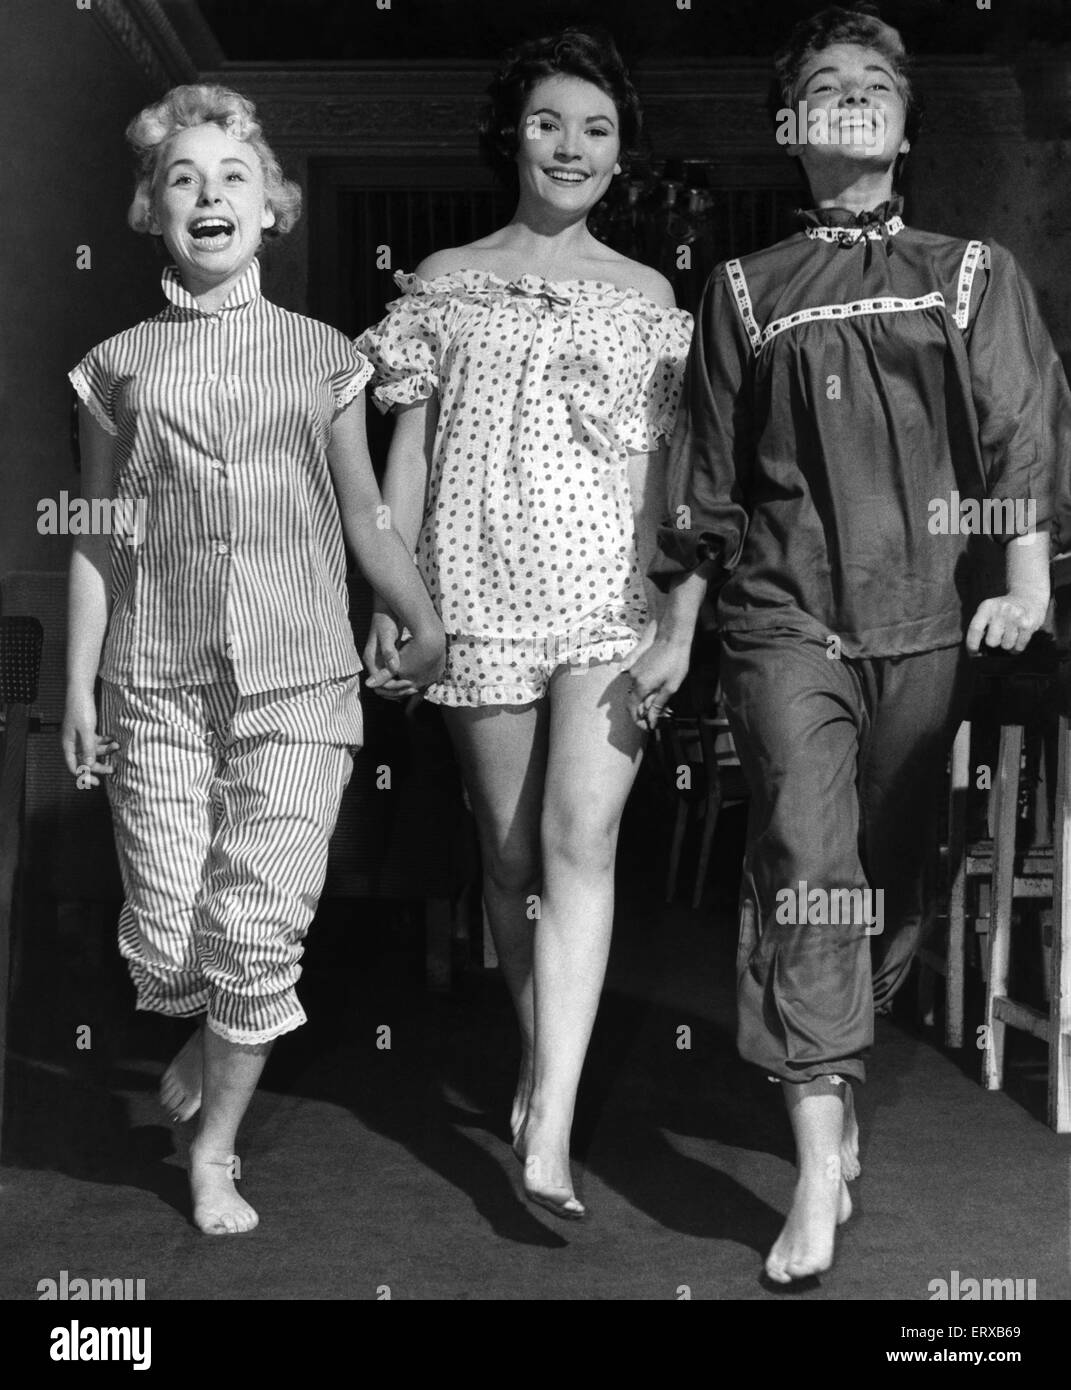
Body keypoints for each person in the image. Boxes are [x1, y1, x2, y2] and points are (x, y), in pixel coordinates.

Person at [630, 4, 1069, 1281]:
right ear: (789, 127)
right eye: (824, 85)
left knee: (884, 869)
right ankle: (818, 1163)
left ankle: (838, 1046)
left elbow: (1017, 430)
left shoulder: (971, 271)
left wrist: (1027, 579)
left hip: (926, 617)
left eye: (875, 83)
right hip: (784, 622)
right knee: (808, 856)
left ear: (905, 120)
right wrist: (676, 632)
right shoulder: (743, 291)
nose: (852, 98)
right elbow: (707, 476)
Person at [62, 84, 444, 1235]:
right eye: (184, 178)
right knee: (175, 928)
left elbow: (368, 514)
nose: (209, 195)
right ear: (149, 211)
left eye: (233, 176)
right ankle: (209, 1025)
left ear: (272, 207)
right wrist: (79, 682)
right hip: (156, 681)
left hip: (300, 679)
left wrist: (419, 619)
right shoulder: (112, 367)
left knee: (259, 920)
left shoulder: (325, 356)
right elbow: (96, 530)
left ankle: (213, 1152)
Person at [357, 29, 692, 1219]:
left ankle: (547, 1122)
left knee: (581, 843)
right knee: (508, 856)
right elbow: (405, 461)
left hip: (606, 594)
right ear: (515, 135)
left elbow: (667, 477)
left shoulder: (651, 299)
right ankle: (541, 1058)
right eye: (551, 121)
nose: (572, 145)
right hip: (475, 594)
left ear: (619, 158)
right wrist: (400, 606)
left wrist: (670, 611)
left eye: (597, 130)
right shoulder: (441, 278)